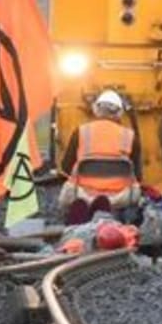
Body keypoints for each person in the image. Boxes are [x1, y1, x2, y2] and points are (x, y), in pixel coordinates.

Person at [59, 89, 142, 225]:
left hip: (84, 193)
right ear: (120, 113)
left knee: (68, 194)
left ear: (96, 110)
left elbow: (66, 167)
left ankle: (77, 222)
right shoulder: (130, 136)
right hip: (119, 197)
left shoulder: (81, 131)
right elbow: (138, 175)